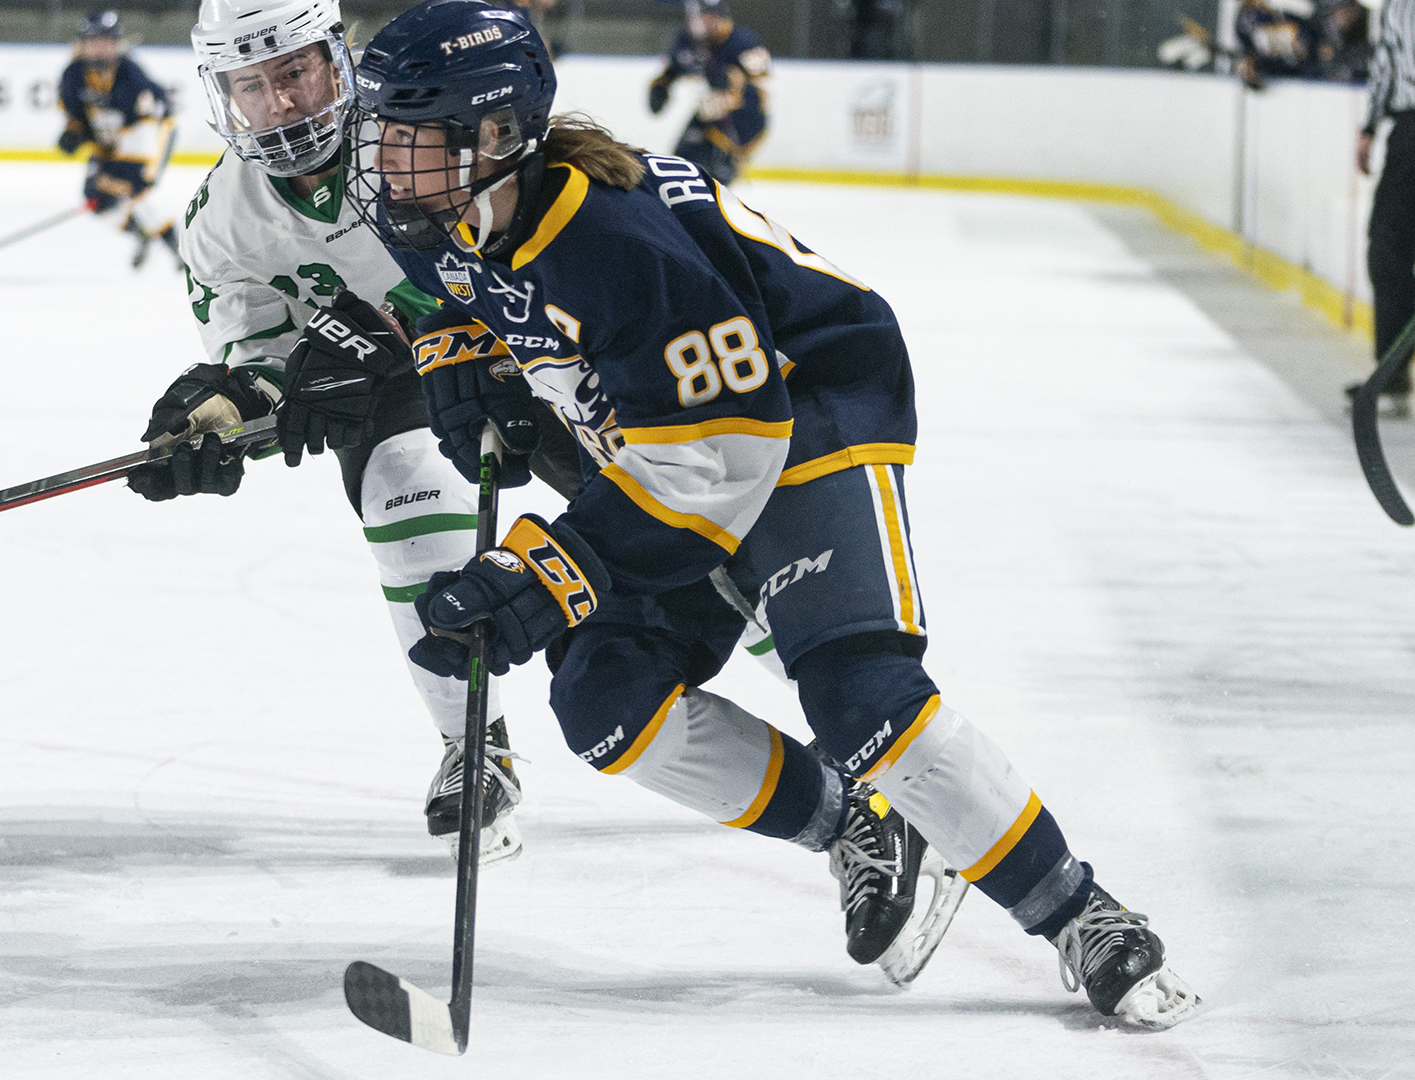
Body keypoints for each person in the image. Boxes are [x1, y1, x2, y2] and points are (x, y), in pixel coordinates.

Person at [348, 0, 1201, 1026]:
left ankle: (1079, 912)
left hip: (801, 413)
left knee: (859, 695)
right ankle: (858, 830)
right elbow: (449, 293)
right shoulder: (441, 209)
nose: (388, 165)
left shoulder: (614, 239)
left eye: (412, 137)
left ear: (495, 134)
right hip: (678, 437)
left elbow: (723, 449)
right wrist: (460, 356)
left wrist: (549, 573)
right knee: (605, 700)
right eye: (385, 134)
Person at [119, 0, 566, 866]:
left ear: (335, 59)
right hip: (407, 387)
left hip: (543, 345)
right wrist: (222, 416)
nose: (278, 103)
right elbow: (265, 365)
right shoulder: (223, 217)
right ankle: (475, 748)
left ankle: (864, 736)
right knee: (405, 504)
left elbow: (530, 244)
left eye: (291, 72)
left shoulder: (428, 123)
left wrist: (393, 329)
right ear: (223, 95)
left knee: (693, 537)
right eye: (251, 85)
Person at [56, 10, 181, 269]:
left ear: (117, 44)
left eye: (106, 42)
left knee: (135, 190)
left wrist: (153, 167)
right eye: (94, 41)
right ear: (83, 43)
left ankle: (179, 249)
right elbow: (76, 117)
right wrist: (73, 133)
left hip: (139, 136)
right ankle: (142, 232)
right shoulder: (72, 75)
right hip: (106, 145)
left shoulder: (130, 74)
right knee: (96, 203)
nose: (100, 49)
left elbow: (164, 115)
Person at [1359, 0, 1415, 417]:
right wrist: (1369, 126)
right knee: (1387, 251)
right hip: (1409, 135)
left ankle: (1394, 376)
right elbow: (1386, 63)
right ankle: (1393, 373)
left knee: (1388, 251)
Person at [644, 0, 768, 186]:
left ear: (723, 18)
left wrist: (729, 99)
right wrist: (661, 88)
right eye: (700, 16)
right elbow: (671, 70)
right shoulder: (689, 40)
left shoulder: (742, 42)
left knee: (715, 177)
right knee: (679, 165)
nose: (703, 22)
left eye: (710, 17)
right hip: (709, 112)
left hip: (743, 116)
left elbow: (759, 87)